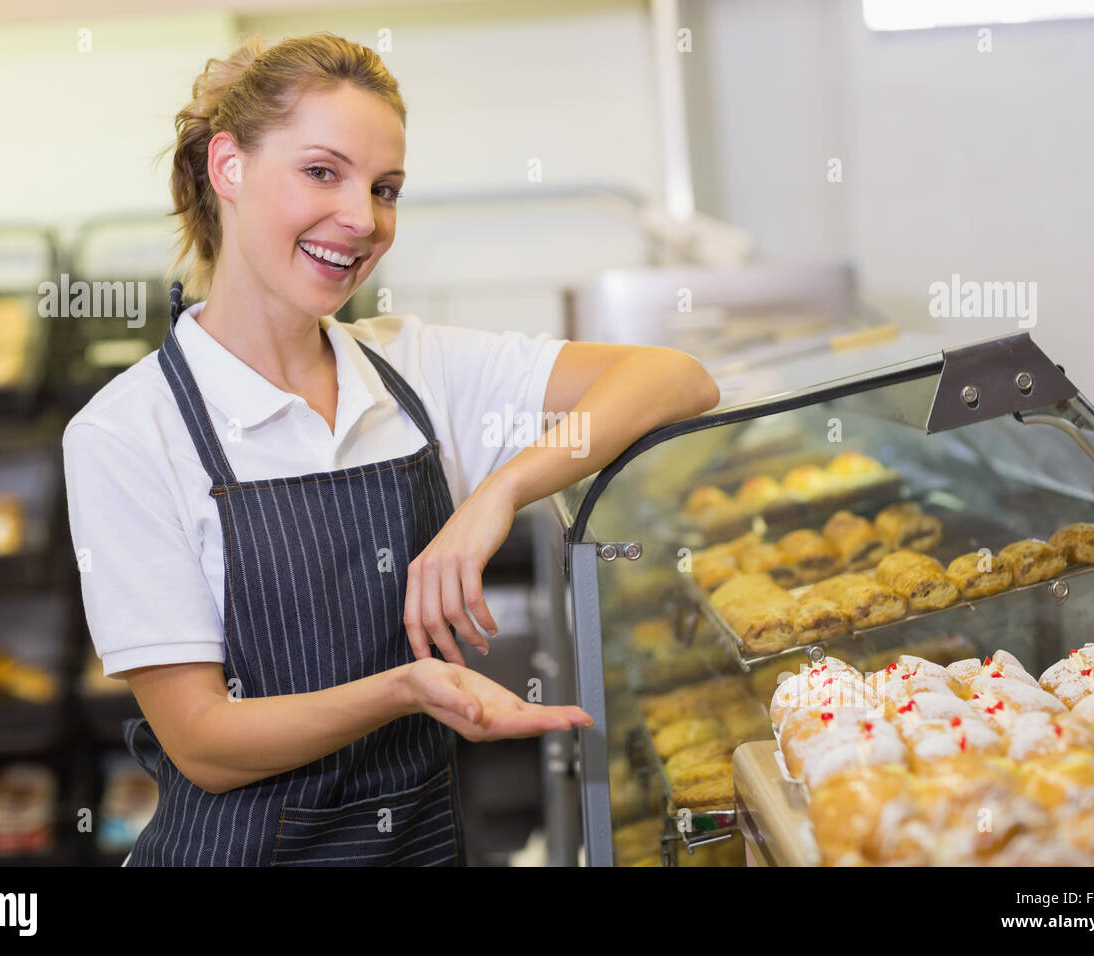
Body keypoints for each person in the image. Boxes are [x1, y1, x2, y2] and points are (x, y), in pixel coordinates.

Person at [62, 31, 720, 866]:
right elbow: (204, 743)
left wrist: (500, 493)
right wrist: (405, 690)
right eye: (322, 172)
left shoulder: (413, 366)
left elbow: (676, 378)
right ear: (227, 166)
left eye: (387, 188)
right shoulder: (128, 431)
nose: (362, 219)